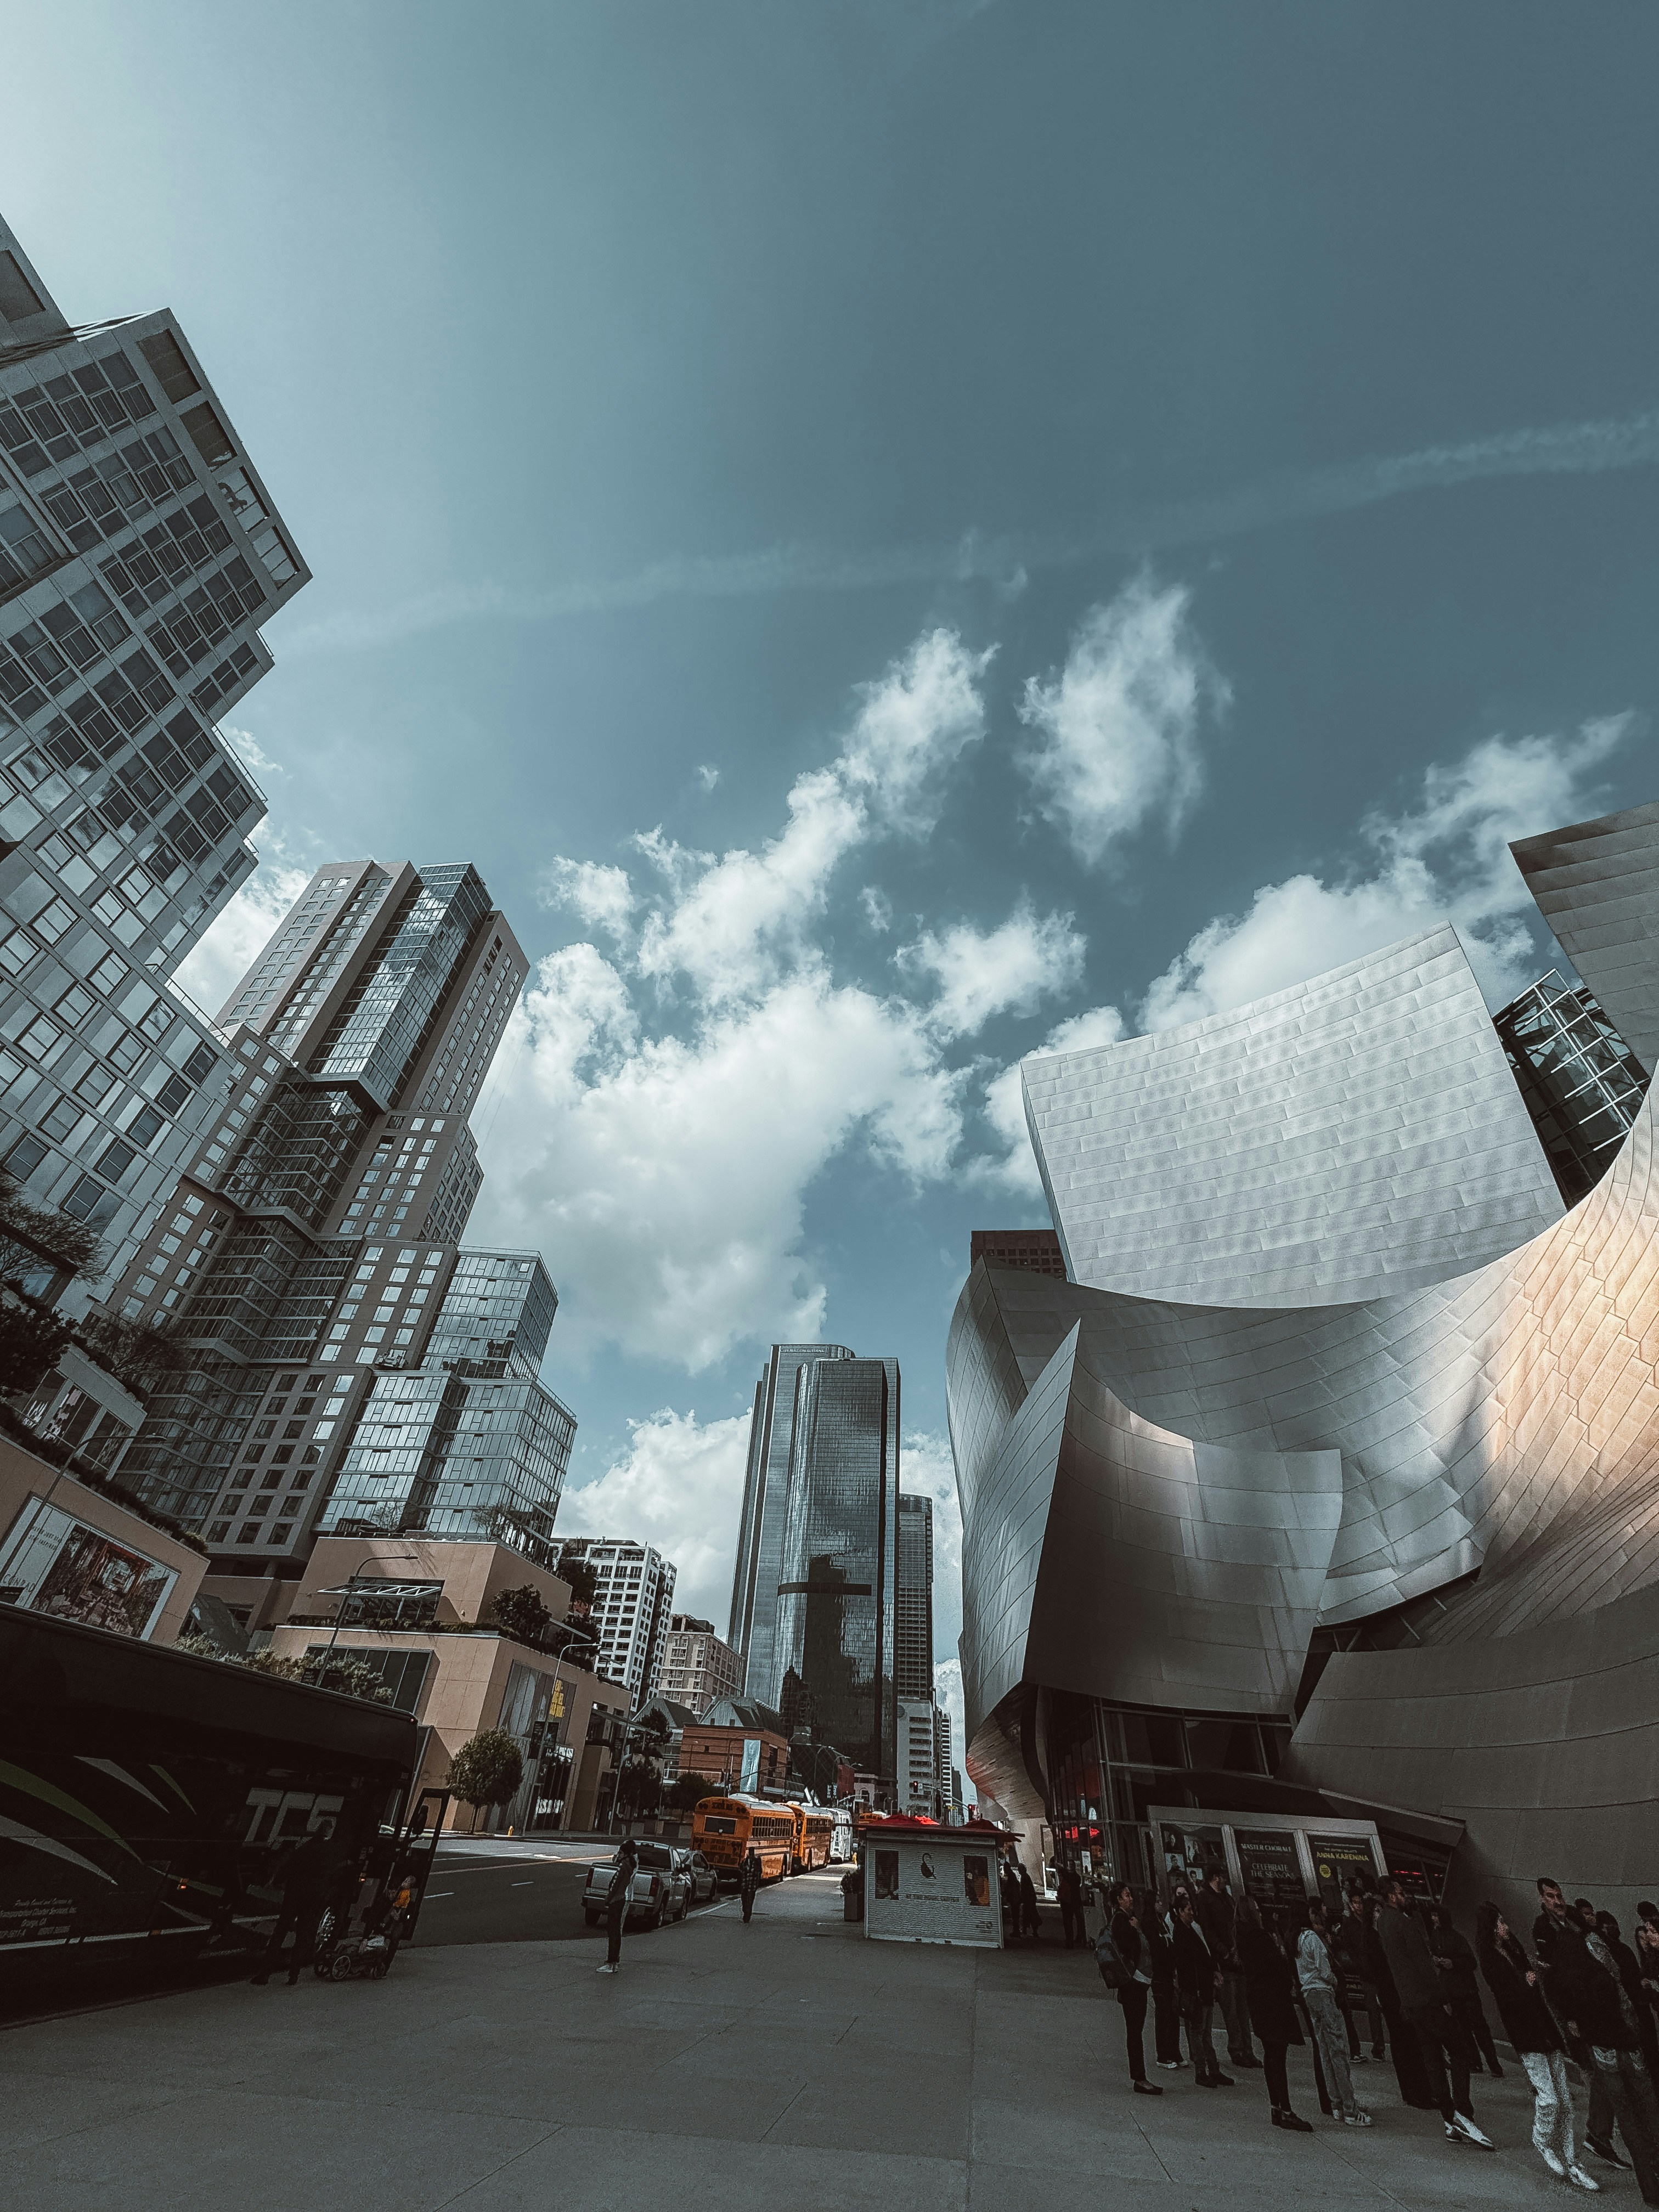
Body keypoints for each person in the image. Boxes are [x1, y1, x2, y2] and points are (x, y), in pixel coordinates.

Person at [1477, 1901, 1596, 2189]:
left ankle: (1571, 2160)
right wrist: (1525, 1980)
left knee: (1565, 2099)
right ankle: (1542, 2140)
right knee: (1550, 2097)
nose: (1505, 1927)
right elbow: (1506, 1993)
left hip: (1543, 2028)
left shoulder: (1513, 1949)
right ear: (1492, 1928)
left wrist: (1531, 1976)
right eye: (1501, 1923)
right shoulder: (1491, 1958)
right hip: (1525, 2033)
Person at [1377, 1878, 1494, 2149]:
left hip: (1411, 2003)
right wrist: (1443, 1999)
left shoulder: (1384, 1923)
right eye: (1401, 1892)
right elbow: (1424, 1967)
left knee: (1432, 2057)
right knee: (1459, 2050)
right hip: (1427, 2001)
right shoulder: (1405, 1924)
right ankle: (1462, 2113)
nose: (1405, 1896)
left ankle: (1449, 2117)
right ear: (1393, 1897)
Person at [1550, 1920, 1659, 2207]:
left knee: (1627, 2117)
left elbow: (1572, 2024)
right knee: (1649, 2108)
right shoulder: (1599, 1961)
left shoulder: (1564, 1977)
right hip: (1626, 2043)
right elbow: (1623, 2001)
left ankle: (1651, 2189)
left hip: (1602, 2049)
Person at [1538, 1876, 1622, 2166]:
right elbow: (1557, 1977)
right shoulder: (1544, 1928)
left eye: (1558, 1894)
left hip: (1596, 2004)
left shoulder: (1573, 1919)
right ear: (1542, 1899)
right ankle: (1598, 2135)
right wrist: (1570, 2017)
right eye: (1550, 1896)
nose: (1557, 1901)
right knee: (1601, 2068)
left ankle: (1600, 2133)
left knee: (1605, 2068)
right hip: (1580, 2010)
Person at [1238, 1899, 1313, 2133]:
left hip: (1259, 2001)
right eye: (1258, 1911)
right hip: (1273, 2002)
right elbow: (1279, 1967)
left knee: (1271, 2056)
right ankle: (1286, 2109)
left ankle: (1276, 2107)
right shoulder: (1260, 1939)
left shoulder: (1243, 1939)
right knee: (1278, 2057)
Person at [1295, 1902, 1370, 2127]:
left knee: (1325, 2051)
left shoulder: (1297, 1941)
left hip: (1309, 1994)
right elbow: (1325, 1970)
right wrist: (1335, 1981)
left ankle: (1337, 2104)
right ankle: (1350, 2107)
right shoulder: (1312, 1939)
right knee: (1338, 2050)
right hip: (1324, 1993)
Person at [250, 1819, 336, 1987]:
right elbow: (329, 1876)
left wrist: (278, 1881)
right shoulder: (328, 1852)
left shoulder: (304, 1848)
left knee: (279, 1933)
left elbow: (288, 1868)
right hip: (312, 1899)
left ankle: (265, 1973)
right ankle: (294, 1974)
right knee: (302, 1935)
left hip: (294, 1896)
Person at [1197, 1866, 1259, 2070]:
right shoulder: (1206, 1898)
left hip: (1235, 1959)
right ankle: (1238, 2049)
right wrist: (1224, 1952)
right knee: (1232, 2010)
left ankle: (1247, 2050)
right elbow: (1208, 1930)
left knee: (1242, 2010)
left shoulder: (1224, 1897)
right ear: (1217, 1878)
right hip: (1225, 1961)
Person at [1429, 1904, 1503, 2076]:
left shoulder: (1456, 1938)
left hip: (1465, 1991)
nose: (1434, 1919)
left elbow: (1471, 1963)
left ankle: (1492, 2064)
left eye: (1436, 1916)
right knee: (1465, 2030)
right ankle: (1476, 2063)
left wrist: (1453, 1963)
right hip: (1455, 1990)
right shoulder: (1436, 1938)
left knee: (1478, 2028)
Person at [1171, 1893, 1232, 2087]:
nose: (1192, 1913)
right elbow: (1190, 1965)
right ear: (1180, 1912)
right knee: (1200, 2031)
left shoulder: (1190, 1930)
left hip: (1202, 1989)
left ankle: (1211, 2069)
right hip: (1197, 1991)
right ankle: (1204, 2070)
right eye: (1188, 1910)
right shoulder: (1183, 1933)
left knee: (1203, 2032)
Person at [1107, 1882, 1161, 2096]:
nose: (1131, 1899)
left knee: (1136, 2030)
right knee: (1135, 2031)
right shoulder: (1122, 1921)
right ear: (1119, 1900)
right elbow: (1131, 1949)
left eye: (1130, 1895)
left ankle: (1140, 2076)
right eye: (1126, 1896)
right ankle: (1139, 2078)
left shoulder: (1122, 1920)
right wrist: (1137, 1929)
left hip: (1135, 1982)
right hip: (1133, 1984)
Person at [1599, 1912, 1659, 2079]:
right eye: (1646, 1933)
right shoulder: (1649, 1957)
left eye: (1653, 1932)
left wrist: (1653, 1985)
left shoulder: (1624, 1951)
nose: (1648, 1937)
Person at [1333, 1887, 1385, 2064]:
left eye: (1360, 1902)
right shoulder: (1350, 1925)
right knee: (1373, 2010)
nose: (1358, 1906)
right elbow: (1351, 1949)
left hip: (1374, 1969)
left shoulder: (1366, 1921)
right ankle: (1378, 2048)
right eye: (1355, 1903)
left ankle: (1379, 2047)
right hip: (1366, 1971)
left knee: (1376, 2009)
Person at [1147, 1896, 1182, 2070]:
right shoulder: (1150, 1923)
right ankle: (1163, 2054)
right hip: (1160, 1975)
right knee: (1164, 2014)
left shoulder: (1162, 1921)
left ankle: (1174, 2051)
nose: (1161, 1904)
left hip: (1168, 1974)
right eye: (1158, 1901)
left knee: (1173, 2014)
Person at [597, 1836, 637, 1974]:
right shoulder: (632, 1864)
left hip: (617, 1900)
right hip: (622, 1899)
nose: (618, 1855)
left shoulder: (624, 1866)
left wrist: (608, 1899)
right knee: (616, 1932)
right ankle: (614, 1962)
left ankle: (611, 1962)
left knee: (613, 1931)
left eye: (620, 1852)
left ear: (625, 1853)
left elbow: (615, 1885)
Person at [1056, 1863, 1085, 1949]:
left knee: (1068, 1922)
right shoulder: (1076, 1878)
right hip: (1074, 1902)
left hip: (1069, 1903)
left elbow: (1068, 1880)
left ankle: (1070, 1941)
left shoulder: (1071, 1878)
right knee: (1075, 1921)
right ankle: (1077, 1939)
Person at [1017, 1861, 1042, 1942]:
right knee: (1030, 1915)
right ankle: (1029, 1931)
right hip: (1030, 1900)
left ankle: (1028, 1931)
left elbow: (1024, 1890)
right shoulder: (1026, 1877)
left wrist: (1022, 1898)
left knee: (1028, 1915)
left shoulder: (1024, 1878)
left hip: (1028, 1900)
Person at [740, 1847, 760, 1923]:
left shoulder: (757, 1861)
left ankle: (747, 1916)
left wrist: (757, 1884)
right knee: (744, 1901)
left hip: (752, 1885)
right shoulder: (745, 1861)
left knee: (750, 1901)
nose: (751, 1854)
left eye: (752, 1852)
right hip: (745, 1884)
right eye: (750, 1852)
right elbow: (741, 1870)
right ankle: (745, 1912)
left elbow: (759, 1872)